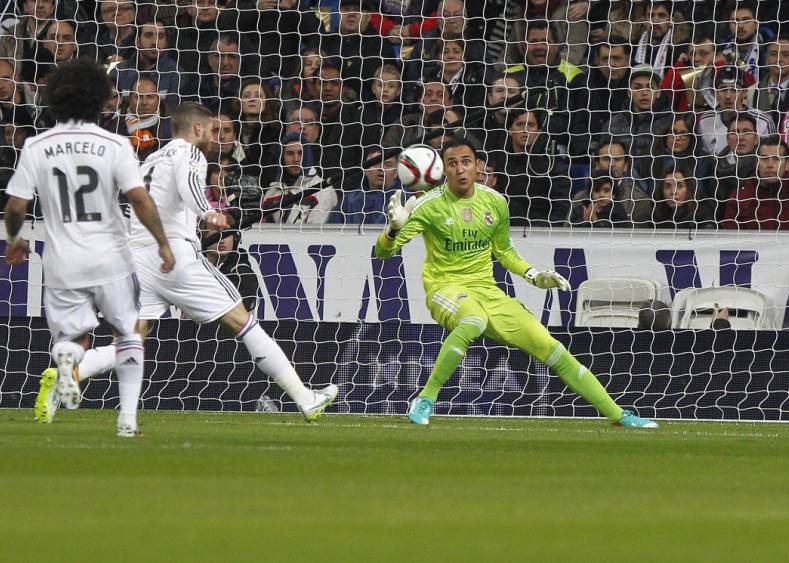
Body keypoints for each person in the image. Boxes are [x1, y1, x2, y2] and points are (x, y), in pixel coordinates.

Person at [51, 103, 338, 424]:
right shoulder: (189, 154)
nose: (215, 138)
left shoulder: (150, 160)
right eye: (213, 131)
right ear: (197, 129)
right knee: (244, 323)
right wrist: (207, 211)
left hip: (139, 258)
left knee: (131, 339)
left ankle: (72, 372)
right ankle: (305, 398)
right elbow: (189, 182)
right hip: (176, 257)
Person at [374, 136, 657, 428]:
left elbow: (505, 251)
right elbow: (382, 253)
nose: (460, 169)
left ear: (478, 166)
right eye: (452, 163)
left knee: (550, 347)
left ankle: (619, 415)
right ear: (442, 170)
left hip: (488, 292)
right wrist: (393, 230)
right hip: (445, 288)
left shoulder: (495, 202)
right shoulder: (427, 206)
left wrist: (534, 275)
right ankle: (425, 399)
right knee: (473, 320)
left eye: (466, 162)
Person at [6, 59, 174, 437]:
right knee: (128, 333)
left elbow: (16, 206)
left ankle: (70, 358)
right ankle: (127, 421)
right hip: (111, 256)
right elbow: (140, 199)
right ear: (100, 98)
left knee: (75, 338)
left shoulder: (36, 145)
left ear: (54, 99)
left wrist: (15, 240)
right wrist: (163, 242)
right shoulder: (115, 143)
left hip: (62, 261)